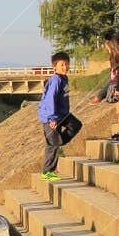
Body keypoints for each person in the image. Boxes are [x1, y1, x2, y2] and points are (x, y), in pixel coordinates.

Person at [37, 52, 80, 181]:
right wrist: (52, 119)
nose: (65, 67)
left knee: (76, 125)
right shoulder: (55, 79)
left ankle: (59, 142)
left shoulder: (64, 78)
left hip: (62, 114)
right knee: (53, 144)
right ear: (54, 67)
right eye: (62, 65)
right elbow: (50, 99)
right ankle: (47, 172)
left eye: (67, 64)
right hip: (51, 116)